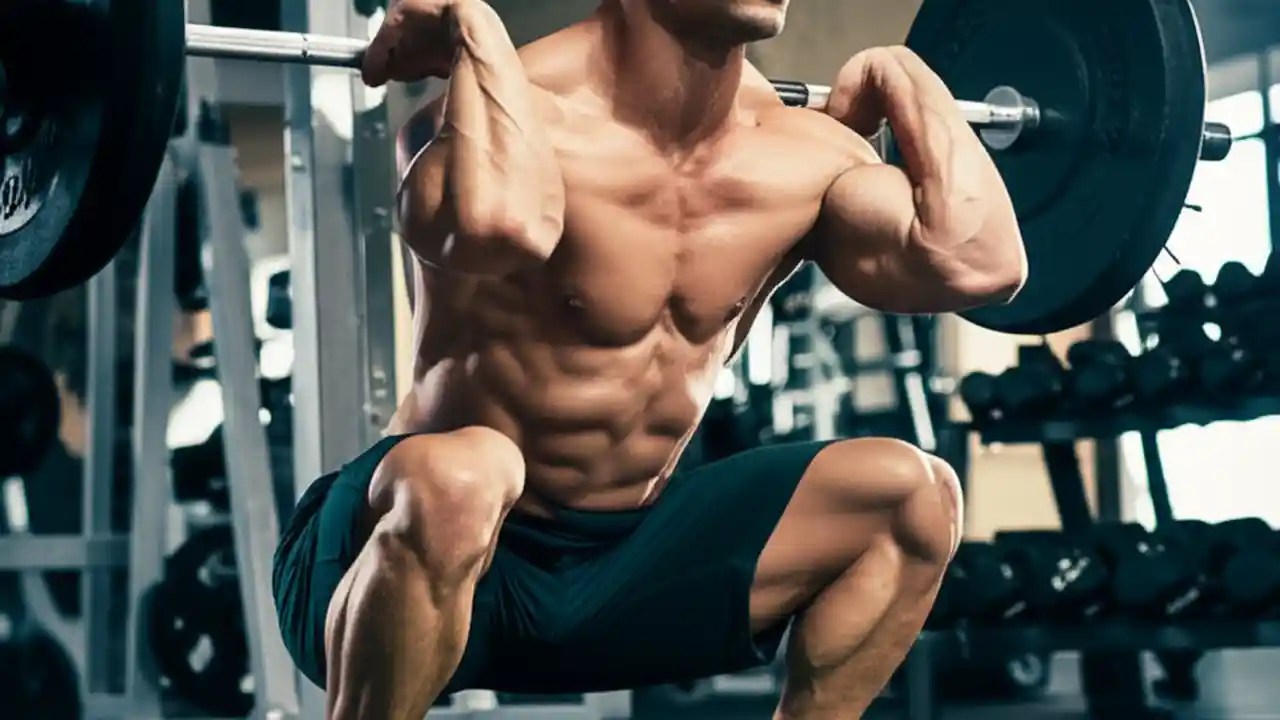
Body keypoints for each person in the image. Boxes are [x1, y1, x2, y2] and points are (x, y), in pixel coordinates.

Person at [272, 0, 1027, 718]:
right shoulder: (501, 110)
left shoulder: (806, 158)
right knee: (466, 473)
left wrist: (906, 76)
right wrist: (475, 30)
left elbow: (979, 265)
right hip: (404, 557)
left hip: (614, 568)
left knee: (916, 494)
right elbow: (495, 228)